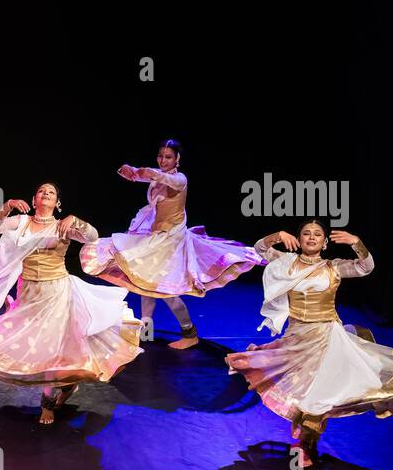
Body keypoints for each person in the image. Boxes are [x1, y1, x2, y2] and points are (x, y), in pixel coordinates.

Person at [224, 223, 393, 466]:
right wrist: (277, 236)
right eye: (306, 233)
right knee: (300, 391)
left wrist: (356, 243)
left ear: (325, 243)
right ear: (298, 238)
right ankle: (305, 441)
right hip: (297, 338)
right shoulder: (285, 262)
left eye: (317, 234)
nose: (312, 237)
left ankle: (306, 444)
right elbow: (258, 250)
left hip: (326, 337)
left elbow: (365, 267)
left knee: (317, 394)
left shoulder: (333, 267)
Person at [0, 183, 142, 425]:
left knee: (52, 346)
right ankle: (67, 385)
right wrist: (6, 206)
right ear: (34, 199)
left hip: (57, 291)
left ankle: (47, 405)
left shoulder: (63, 226)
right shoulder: (22, 222)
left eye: (51, 192)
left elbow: (93, 237)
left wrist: (75, 220)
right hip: (29, 291)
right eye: (41, 191)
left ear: (57, 202)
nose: (45, 193)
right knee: (34, 343)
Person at [80, 139, 261, 349]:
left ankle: (189, 332)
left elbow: (166, 179)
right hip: (156, 237)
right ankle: (145, 332)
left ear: (177, 159)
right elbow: (145, 177)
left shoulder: (180, 179)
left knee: (167, 292)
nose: (163, 160)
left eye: (168, 157)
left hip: (171, 243)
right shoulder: (158, 177)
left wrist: (145, 171)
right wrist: (130, 172)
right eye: (160, 156)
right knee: (144, 284)